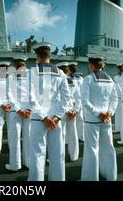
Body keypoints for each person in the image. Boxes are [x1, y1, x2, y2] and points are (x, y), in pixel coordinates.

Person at [27, 42, 70, 181]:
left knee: (38, 155)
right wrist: (57, 116)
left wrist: (44, 116)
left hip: (39, 119)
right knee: (57, 154)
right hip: (56, 120)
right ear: (49, 55)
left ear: (37, 56)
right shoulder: (61, 73)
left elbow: (31, 97)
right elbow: (66, 98)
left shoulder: (32, 72)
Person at [81, 55, 118, 181]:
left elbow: (85, 102)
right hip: (106, 119)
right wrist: (109, 113)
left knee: (92, 149)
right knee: (108, 147)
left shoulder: (88, 79)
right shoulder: (111, 80)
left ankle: (90, 178)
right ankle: (111, 176)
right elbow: (114, 100)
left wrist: (98, 113)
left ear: (91, 65)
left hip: (93, 119)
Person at [6, 55, 31, 171]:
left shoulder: (11, 77)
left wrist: (18, 109)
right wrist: (29, 109)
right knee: (29, 137)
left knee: (14, 138)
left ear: (15, 64)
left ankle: (15, 165)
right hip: (29, 112)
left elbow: (9, 95)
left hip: (16, 112)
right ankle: (29, 163)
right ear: (24, 64)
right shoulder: (32, 76)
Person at [57, 62, 81, 162]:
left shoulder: (58, 81)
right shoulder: (73, 81)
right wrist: (75, 111)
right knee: (73, 135)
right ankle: (74, 156)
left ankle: (60, 156)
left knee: (60, 135)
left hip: (62, 111)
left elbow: (57, 98)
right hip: (71, 112)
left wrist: (67, 110)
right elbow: (79, 98)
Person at [69, 62, 85, 142]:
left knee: (80, 119)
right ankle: (74, 137)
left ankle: (81, 136)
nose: (74, 68)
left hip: (79, 101)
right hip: (73, 102)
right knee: (75, 120)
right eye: (73, 67)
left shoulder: (80, 79)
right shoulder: (68, 78)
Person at [113, 63, 123, 134]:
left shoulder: (116, 78)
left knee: (118, 114)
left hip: (119, 98)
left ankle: (118, 128)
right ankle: (121, 128)